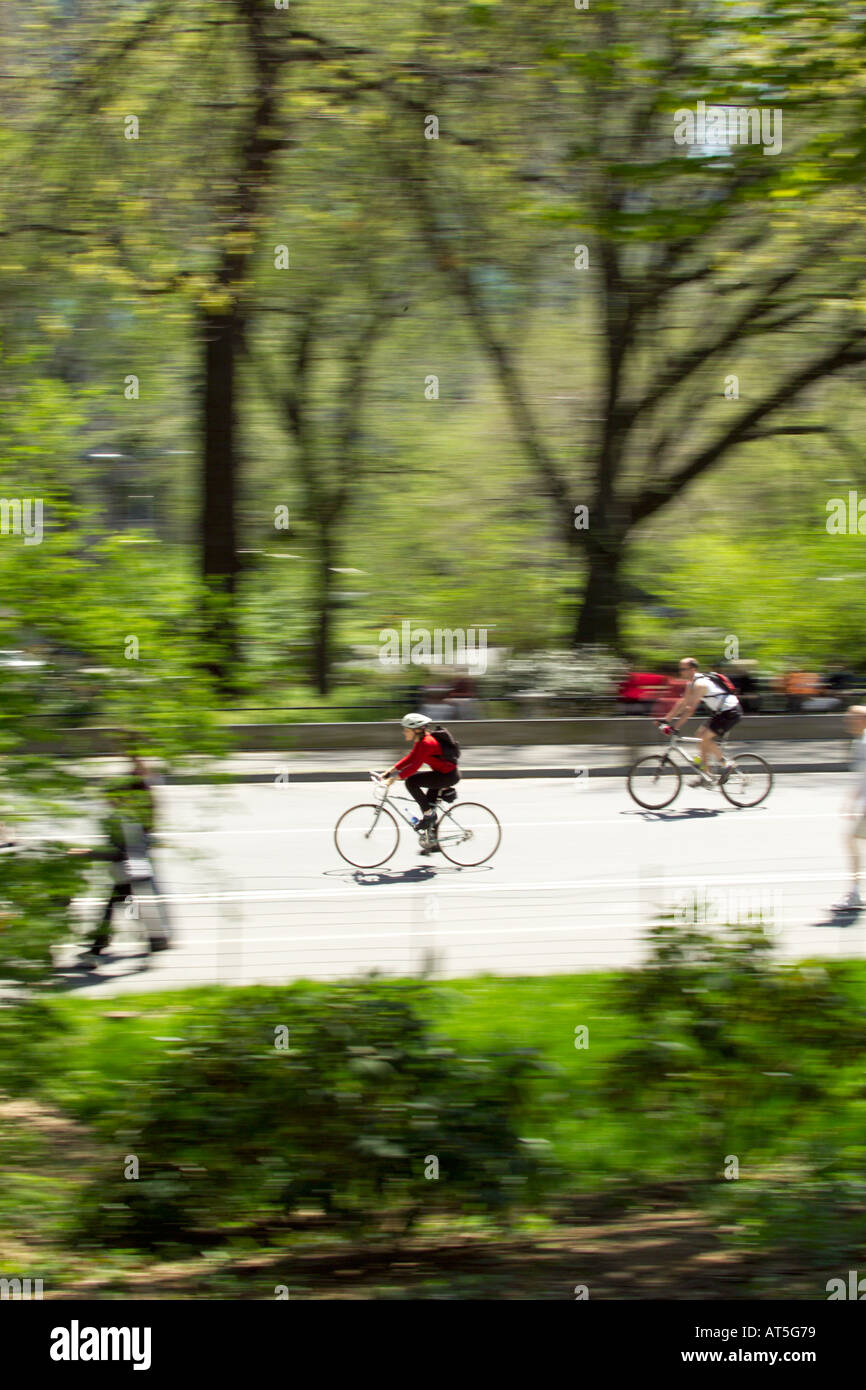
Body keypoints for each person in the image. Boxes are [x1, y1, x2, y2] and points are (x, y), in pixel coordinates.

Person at [74, 754, 171, 967]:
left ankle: (97, 949)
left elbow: (120, 851)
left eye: (109, 796)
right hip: (133, 871)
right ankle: (154, 941)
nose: (105, 800)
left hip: (130, 871)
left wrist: (88, 853)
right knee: (130, 908)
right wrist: (133, 754)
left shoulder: (125, 819)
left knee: (115, 908)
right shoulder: (137, 816)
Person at [380, 713, 460, 852]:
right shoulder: (421, 741)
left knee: (411, 782)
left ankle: (429, 817)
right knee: (428, 806)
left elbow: (415, 766)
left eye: (406, 730)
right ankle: (433, 842)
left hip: (447, 776)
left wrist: (393, 779)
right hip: (441, 774)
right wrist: (390, 771)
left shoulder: (427, 743)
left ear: (416, 730)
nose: (403, 732)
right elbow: (411, 758)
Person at [660, 658, 742, 779]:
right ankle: (707, 775)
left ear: (693, 669)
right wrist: (666, 720)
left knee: (705, 738)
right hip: (720, 712)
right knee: (700, 735)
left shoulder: (700, 684)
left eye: (683, 669)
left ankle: (726, 764)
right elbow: (683, 702)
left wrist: (674, 727)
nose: (680, 672)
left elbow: (690, 709)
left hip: (731, 711)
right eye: (679, 669)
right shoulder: (691, 683)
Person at [833, 705, 866, 912]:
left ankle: (854, 893)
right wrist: (851, 800)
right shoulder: (860, 741)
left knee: (850, 840)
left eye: (851, 718)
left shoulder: (863, 742)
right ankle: (854, 892)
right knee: (851, 839)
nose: (847, 722)